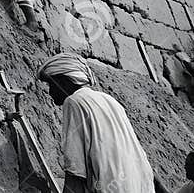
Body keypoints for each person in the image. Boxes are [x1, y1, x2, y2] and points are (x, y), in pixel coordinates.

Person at [37, 53, 162, 193]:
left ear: (64, 81)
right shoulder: (109, 100)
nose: (50, 92)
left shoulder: (74, 102)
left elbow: (75, 172)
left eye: (51, 84)